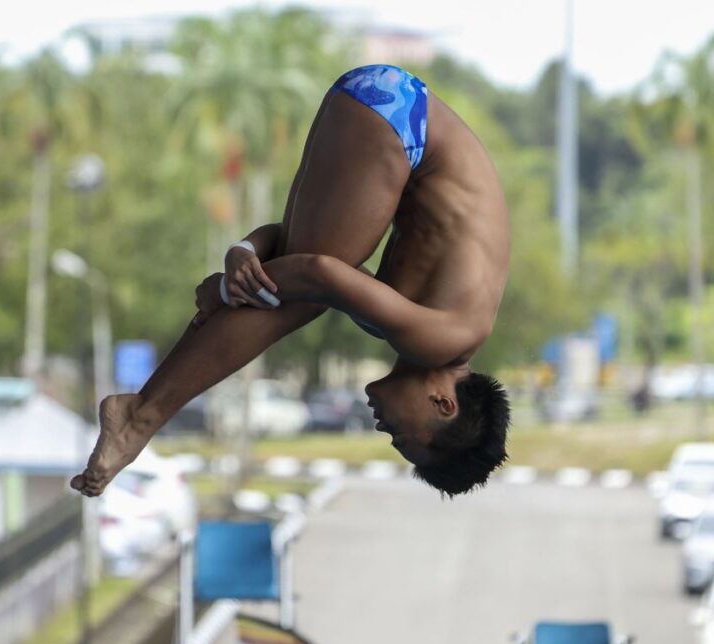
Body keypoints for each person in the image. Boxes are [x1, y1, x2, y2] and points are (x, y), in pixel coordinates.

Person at [70, 64, 512, 500]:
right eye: (401, 437)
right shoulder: (441, 338)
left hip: (393, 104)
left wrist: (243, 252)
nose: (385, 431)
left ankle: (140, 412)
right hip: (399, 124)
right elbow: (318, 271)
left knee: (302, 290)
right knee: (303, 298)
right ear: (443, 405)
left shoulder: (415, 326)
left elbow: (301, 255)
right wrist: (224, 292)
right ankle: (138, 417)